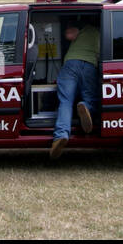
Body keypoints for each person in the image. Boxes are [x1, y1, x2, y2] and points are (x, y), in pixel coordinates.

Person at [51, 18, 100, 159]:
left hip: (71, 63)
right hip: (90, 65)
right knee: (90, 97)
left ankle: (61, 136)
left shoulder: (82, 27)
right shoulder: (99, 33)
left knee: (66, 101)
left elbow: (69, 36)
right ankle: (85, 106)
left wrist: (70, 27)